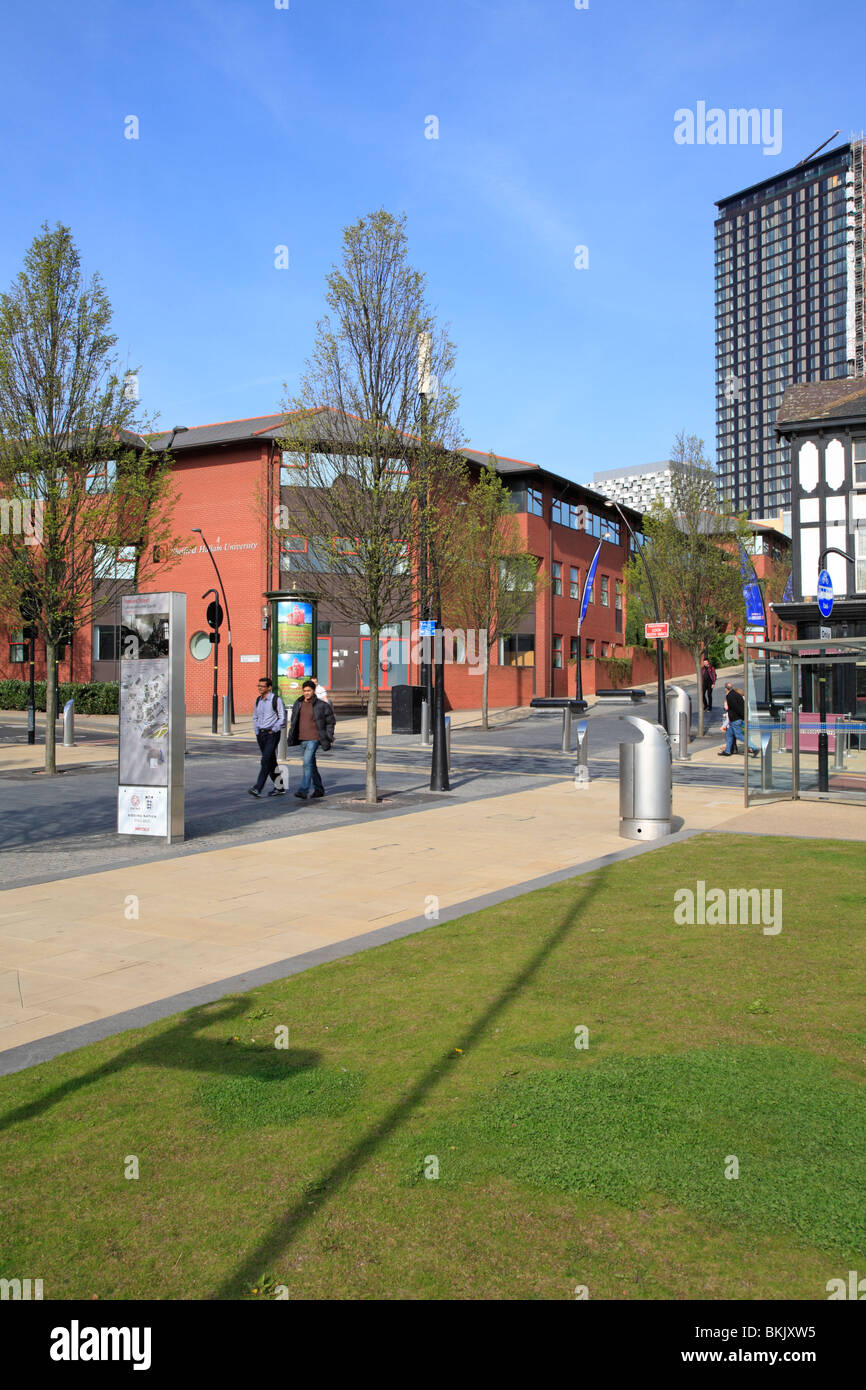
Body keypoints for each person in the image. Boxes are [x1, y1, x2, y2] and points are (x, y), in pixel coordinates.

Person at [288, 678, 336, 799]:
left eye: (309, 690)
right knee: (311, 764)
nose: (306, 693)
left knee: (306, 763)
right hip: (302, 738)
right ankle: (319, 789)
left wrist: (328, 736)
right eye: (304, 691)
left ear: (314, 691)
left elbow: (330, 722)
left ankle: (303, 790)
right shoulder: (298, 703)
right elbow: (294, 721)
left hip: (314, 738)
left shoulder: (322, 705)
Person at [249, 676, 286, 797]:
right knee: (270, 761)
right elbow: (255, 716)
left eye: (262, 686)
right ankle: (280, 787)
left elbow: (282, 717)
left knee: (265, 760)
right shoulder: (258, 700)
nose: (259, 688)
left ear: (269, 688)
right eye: (258, 686)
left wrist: (273, 730)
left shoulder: (276, 700)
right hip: (261, 734)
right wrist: (257, 731)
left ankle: (258, 787)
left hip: (272, 734)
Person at [718, 682, 753, 757]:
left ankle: (753, 746)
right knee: (729, 734)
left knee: (739, 735)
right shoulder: (738, 696)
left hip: (735, 719)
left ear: (726, 689)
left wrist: (742, 717)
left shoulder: (730, 696)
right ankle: (728, 751)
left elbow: (735, 708)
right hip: (738, 719)